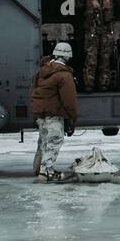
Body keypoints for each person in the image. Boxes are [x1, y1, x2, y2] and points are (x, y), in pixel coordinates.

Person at [30, 42, 79, 182]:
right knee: (55, 140)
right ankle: (46, 172)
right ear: (68, 57)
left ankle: (41, 168)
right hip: (54, 114)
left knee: (45, 142)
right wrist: (73, 116)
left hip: (41, 115)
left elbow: (33, 91)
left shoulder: (41, 72)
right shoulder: (64, 75)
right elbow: (69, 100)